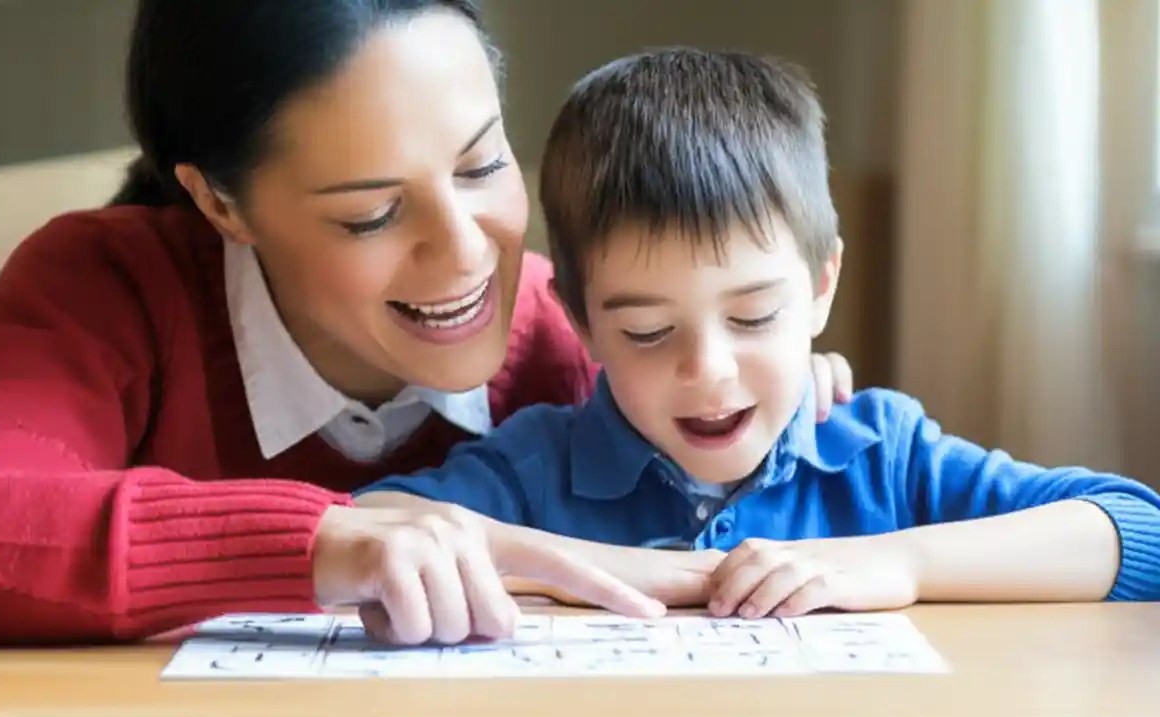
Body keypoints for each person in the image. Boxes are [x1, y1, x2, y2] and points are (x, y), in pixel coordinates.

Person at [0, 1, 856, 645]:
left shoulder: (569, 338)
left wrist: (762, 393)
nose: (466, 254)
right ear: (222, 204)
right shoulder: (107, 287)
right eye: (371, 214)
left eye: (480, 166)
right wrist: (325, 541)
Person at [357, 48, 1160, 621]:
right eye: (646, 330)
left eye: (752, 318)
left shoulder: (877, 453)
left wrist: (899, 561)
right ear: (581, 321)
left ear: (820, 289)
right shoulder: (539, 467)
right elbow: (357, 534)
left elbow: (1139, 532)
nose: (707, 371)